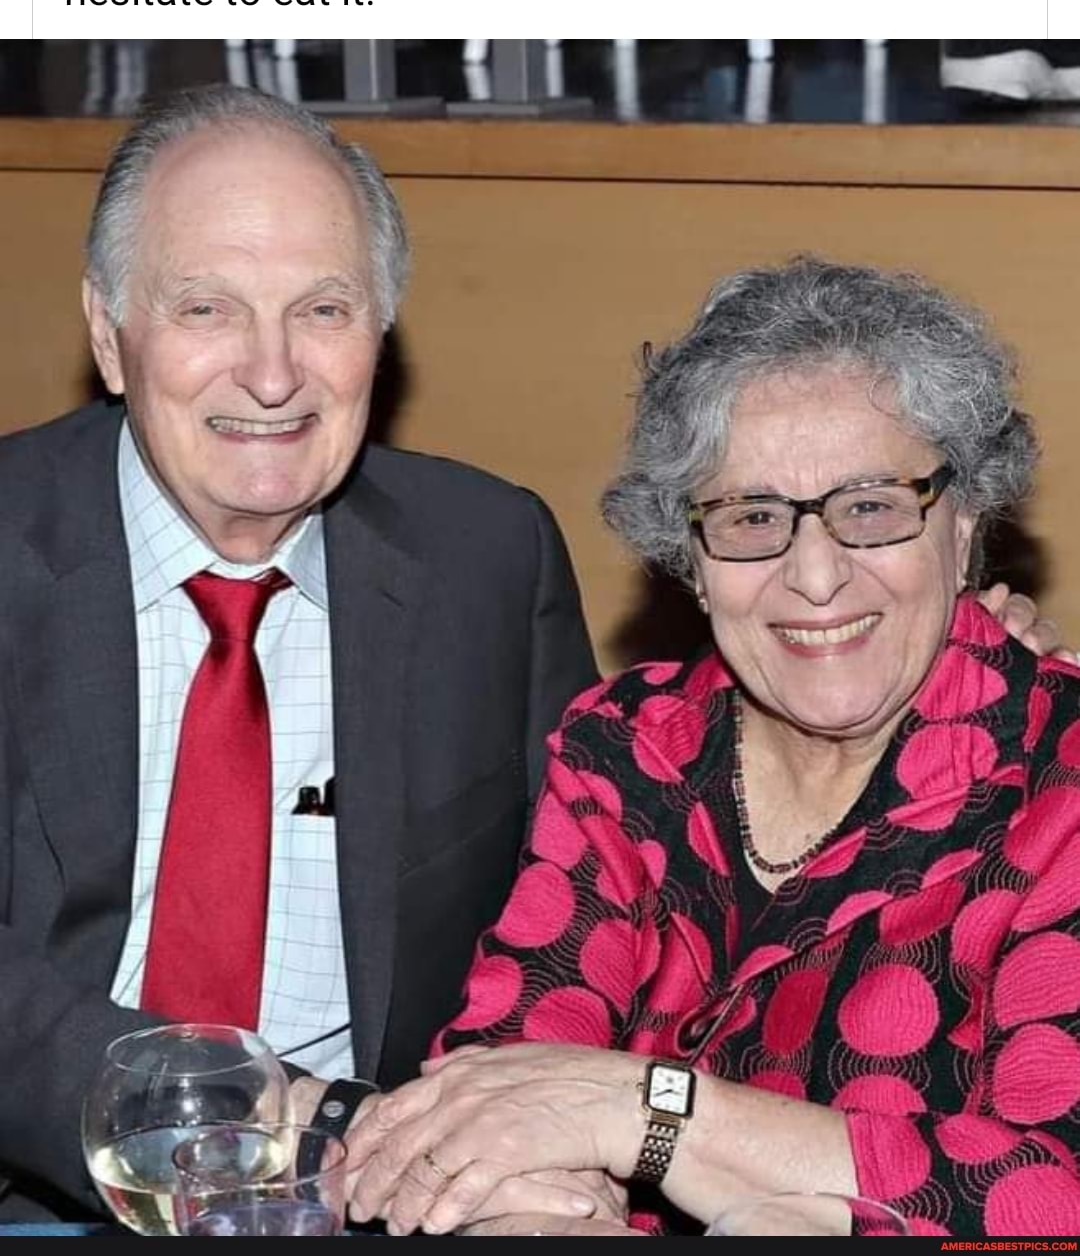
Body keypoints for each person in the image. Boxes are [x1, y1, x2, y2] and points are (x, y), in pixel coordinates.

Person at [346, 257, 1080, 1239]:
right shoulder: (628, 748)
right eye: (752, 518)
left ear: (963, 528)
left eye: (871, 508)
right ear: (691, 561)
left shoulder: (1057, 782)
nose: (814, 575)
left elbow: (1050, 1192)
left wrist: (644, 1111)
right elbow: (499, 1087)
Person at [0, 84, 597, 1221]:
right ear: (108, 335)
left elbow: (582, 908)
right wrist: (269, 1111)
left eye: (323, 310)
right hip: (42, 1192)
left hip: (381, 1194)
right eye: (207, 310)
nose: (272, 376)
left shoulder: (487, 557)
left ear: (382, 331)